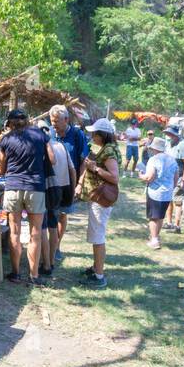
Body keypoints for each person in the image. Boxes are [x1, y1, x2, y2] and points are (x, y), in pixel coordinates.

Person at [0, 107, 49, 284]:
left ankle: (16, 273)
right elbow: (52, 159)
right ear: (26, 120)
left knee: (15, 232)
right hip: (36, 186)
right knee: (35, 233)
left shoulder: (6, 139)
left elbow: (1, 169)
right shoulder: (40, 135)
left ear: (10, 123)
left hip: (13, 186)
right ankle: (34, 275)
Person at [77, 118, 121, 287]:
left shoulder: (108, 151)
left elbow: (114, 177)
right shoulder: (104, 148)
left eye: (94, 133)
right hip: (97, 197)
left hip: (101, 199)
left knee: (97, 236)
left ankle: (99, 276)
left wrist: (95, 168)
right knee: (96, 234)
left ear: (101, 135)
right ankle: (96, 267)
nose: (92, 135)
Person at [50, 105, 88, 262]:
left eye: (57, 121)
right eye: (52, 121)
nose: (54, 124)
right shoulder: (50, 133)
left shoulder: (77, 134)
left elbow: (84, 160)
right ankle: (50, 246)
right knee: (50, 215)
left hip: (69, 183)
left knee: (62, 215)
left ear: (66, 120)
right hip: (51, 182)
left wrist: (79, 183)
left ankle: (57, 246)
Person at [40, 124, 76, 278]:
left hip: (46, 189)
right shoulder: (61, 146)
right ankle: (52, 260)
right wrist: (72, 190)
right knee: (53, 226)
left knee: (42, 227)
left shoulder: (42, 147)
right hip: (60, 189)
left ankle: (45, 262)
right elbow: (72, 170)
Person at [139, 136, 177, 250]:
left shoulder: (153, 160)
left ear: (153, 149)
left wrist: (141, 176)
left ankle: (154, 240)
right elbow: (176, 177)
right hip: (167, 192)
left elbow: (150, 177)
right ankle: (155, 237)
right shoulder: (172, 159)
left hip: (155, 192)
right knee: (160, 217)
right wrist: (171, 187)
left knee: (152, 217)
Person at [165, 127, 184, 234]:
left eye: (170, 134)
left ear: (176, 134)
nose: (168, 136)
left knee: (178, 201)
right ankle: (169, 222)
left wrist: (183, 180)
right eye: (167, 134)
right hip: (169, 177)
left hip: (179, 177)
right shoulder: (169, 143)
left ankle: (177, 225)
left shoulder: (183, 145)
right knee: (168, 200)